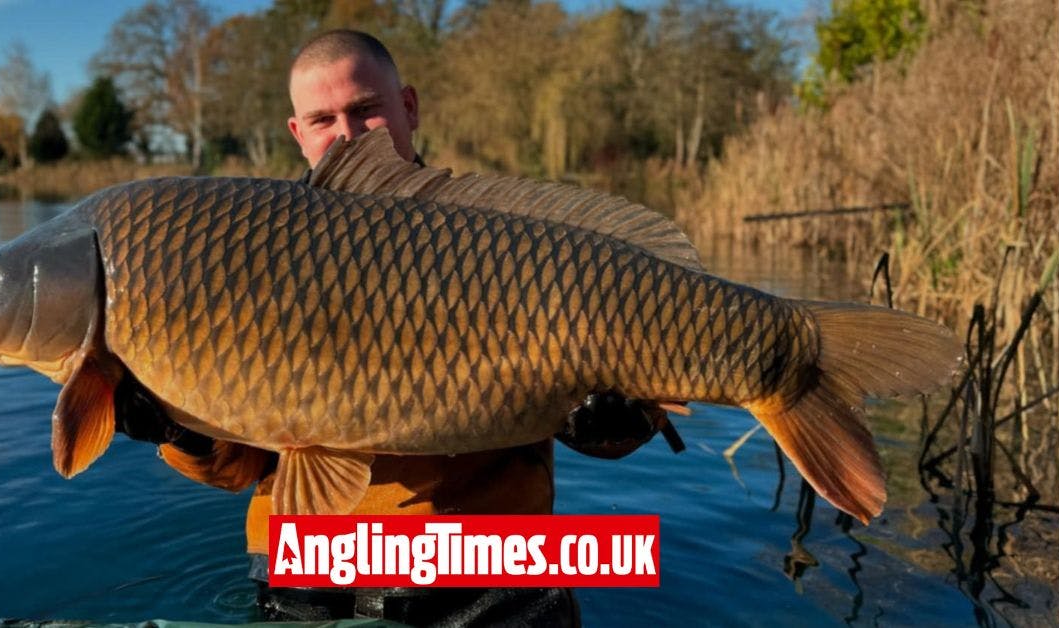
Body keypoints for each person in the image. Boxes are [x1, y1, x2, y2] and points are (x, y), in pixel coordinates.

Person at [115, 29, 681, 626]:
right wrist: (176, 429)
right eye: (323, 119)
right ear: (298, 133)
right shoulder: (248, 254)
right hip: (309, 569)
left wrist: (616, 427)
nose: (348, 134)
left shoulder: (506, 231)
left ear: (408, 107)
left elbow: (633, 411)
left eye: (366, 110)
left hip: (490, 571)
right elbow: (235, 468)